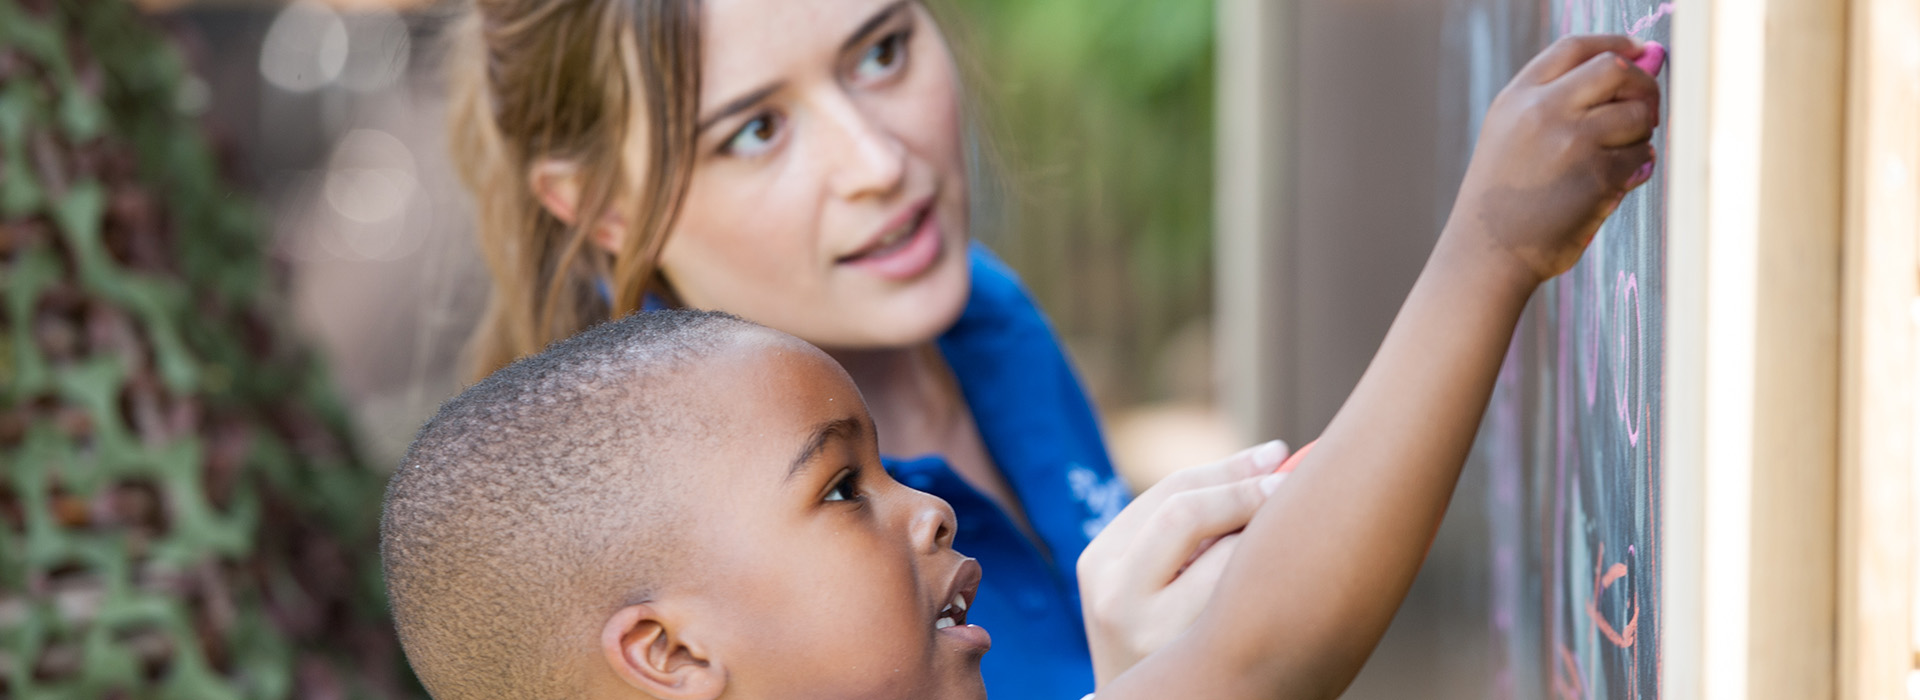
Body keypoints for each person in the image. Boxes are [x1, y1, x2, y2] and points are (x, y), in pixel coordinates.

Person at [388, 31, 1662, 700]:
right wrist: (1489, 248)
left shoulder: (982, 320)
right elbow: (1265, 659)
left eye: (884, 48)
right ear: (667, 654)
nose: (930, 500)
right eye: (845, 491)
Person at [446, 2, 1190, 696]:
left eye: (883, 52)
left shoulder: (981, 306)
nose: (880, 164)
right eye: (756, 131)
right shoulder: (667, 546)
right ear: (605, 208)